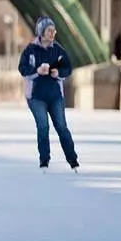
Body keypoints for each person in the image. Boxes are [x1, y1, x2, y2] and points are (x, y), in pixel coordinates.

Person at [19, 17, 79, 173]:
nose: (53, 34)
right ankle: (44, 160)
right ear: (41, 32)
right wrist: (37, 71)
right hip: (36, 96)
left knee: (61, 127)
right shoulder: (31, 50)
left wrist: (58, 73)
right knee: (43, 126)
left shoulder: (58, 50)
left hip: (55, 96)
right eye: (49, 31)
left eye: (54, 31)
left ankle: (73, 160)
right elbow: (23, 68)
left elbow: (68, 68)